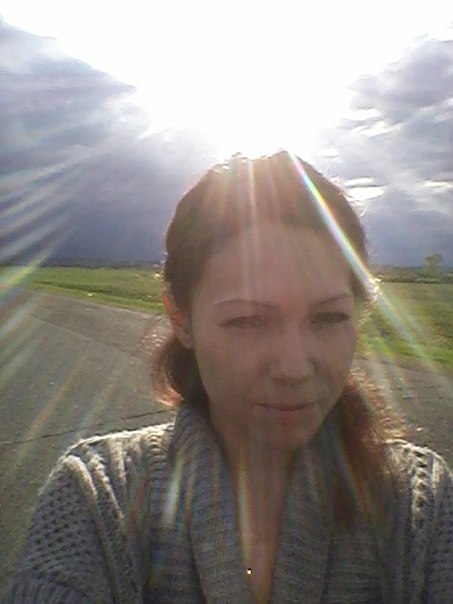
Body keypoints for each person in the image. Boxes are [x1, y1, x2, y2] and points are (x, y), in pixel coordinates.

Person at [5, 150, 452, 603]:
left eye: (329, 318)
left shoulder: (419, 504)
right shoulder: (99, 496)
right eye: (248, 321)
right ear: (181, 319)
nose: (295, 368)